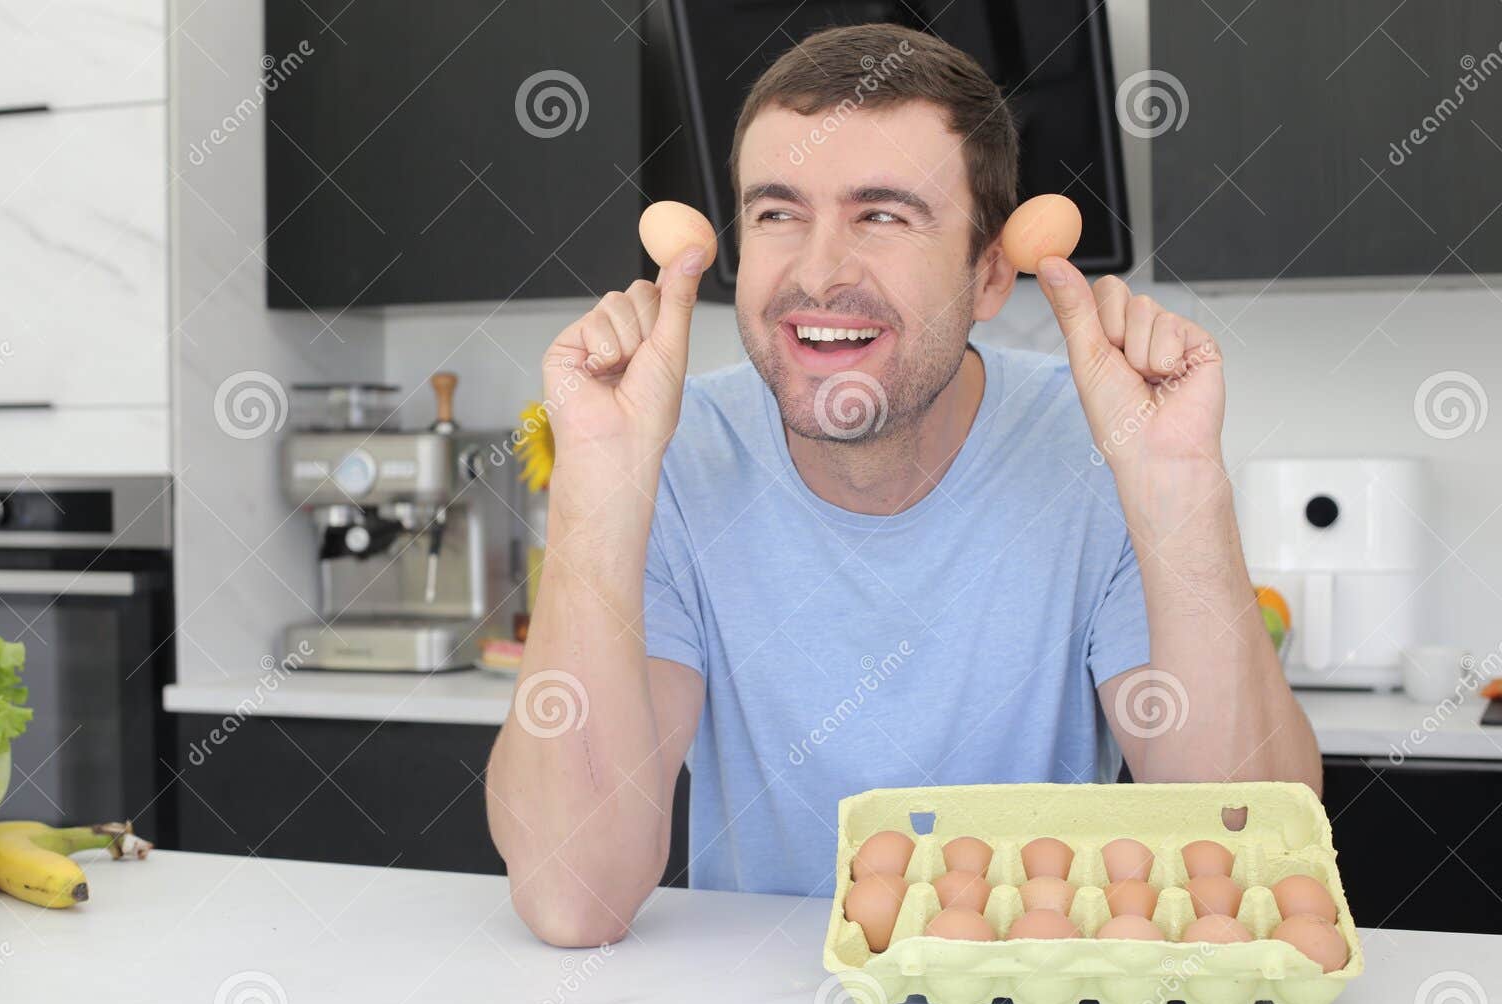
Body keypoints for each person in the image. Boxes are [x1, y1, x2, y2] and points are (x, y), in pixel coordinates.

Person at [487, 23, 1320, 947]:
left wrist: (1182, 489)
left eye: (882, 214)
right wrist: (597, 482)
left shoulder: (1100, 452)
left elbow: (1251, 861)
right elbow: (574, 897)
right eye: (777, 212)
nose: (817, 270)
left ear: (991, 271)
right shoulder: (679, 460)